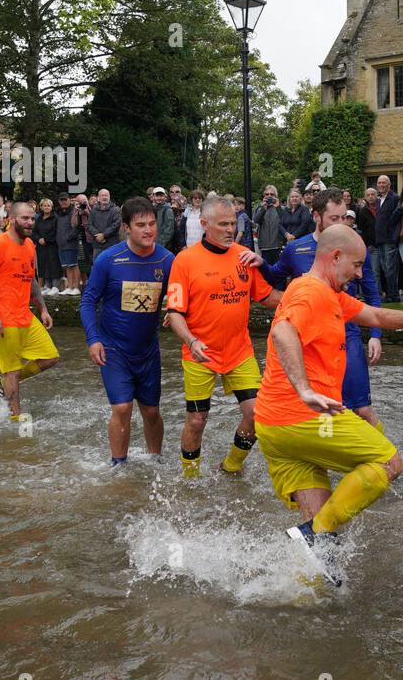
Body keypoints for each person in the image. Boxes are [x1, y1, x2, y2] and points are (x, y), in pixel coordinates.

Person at [252, 225, 403, 568]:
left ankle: (303, 594)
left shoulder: (329, 295)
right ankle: (316, 531)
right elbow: (284, 331)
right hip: (304, 417)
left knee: (321, 552)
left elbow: (374, 315)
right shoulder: (309, 292)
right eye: (356, 265)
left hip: (273, 428)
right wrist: (304, 389)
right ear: (336, 257)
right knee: (388, 462)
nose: (359, 273)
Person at [165, 196, 284, 478]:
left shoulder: (244, 256)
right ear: (205, 224)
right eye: (223, 224)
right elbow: (174, 313)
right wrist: (191, 341)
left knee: (257, 415)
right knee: (196, 420)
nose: (230, 229)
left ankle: (231, 467)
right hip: (199, 353)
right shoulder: (185, 261)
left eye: (233, 223)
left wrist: (305, 295)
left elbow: (266, 296)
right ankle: (191, 478)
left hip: (238, 352)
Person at [255, 188, 385, 429]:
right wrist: (260, 263)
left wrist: (376, 336)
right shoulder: (296, 249)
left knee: (363, 409)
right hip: (312, 342)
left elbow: (371, 293)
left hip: (348, 334)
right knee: (325, 410)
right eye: (334, 219)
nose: (342, 224)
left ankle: (385, 457)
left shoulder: (355, 247)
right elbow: (275, 276)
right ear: (316, 216)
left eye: (344, 217)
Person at [80, 197, 177, 466]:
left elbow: (180, 298)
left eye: (152, 224)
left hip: (147, 350)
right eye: (141, 225)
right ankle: (118, 464)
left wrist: (174, 310)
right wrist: (93, 339)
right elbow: (88, 301)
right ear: (126, 228)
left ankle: (155, 460)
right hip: (114, 347)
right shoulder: (109, 260)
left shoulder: (168, 261)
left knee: (151, 411)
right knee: (122, 408)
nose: (148, 230)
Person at [0, 202, 60, 420]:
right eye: (25, 218)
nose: (30, 222)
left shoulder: (30, 245)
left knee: (50, 357)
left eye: (32, 218)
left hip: (25, 315)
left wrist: (43, 309)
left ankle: (2, 384)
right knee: (11, 370)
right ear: (12, 219)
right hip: (3, 318)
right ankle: (16, 418)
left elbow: (31, 279)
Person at [373, 175, 400, 302]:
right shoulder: (379, 200)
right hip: (380, 239)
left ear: (389, 185)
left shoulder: (394, 198)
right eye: (379, 183)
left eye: (384, 183)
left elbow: (397, 216)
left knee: (390, 269)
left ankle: (393, 295)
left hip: (390, 239)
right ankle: (390, 294)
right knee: (385, 269)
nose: (381, 185)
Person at [32, 197, 63, 295]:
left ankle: (55, 286)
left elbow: (56, 232)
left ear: (51, 207)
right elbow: (34, 231)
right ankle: (47, 285)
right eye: (44, 205)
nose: (46, 207)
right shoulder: (39, 218)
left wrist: (46, 239)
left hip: (52, 245)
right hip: (41, 246)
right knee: (43, 264)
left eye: (48, 205)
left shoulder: (55, 218)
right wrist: (39, 239)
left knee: (53, 264)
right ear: (41, 207)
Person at [55, 191, 82, 295]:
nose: (63, 202)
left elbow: (78, 226)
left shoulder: (74, 211)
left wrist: (70, 237)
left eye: (65, 199)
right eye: (61, 200)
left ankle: (76, 287)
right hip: (61, 244)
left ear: (69, 200)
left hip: (71, 243)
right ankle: (70, 287)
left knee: (74, 265)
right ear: (58, 201)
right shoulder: (58, 212)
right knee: (67, 266)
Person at [252, 184, 285, 265]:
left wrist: (277, 207)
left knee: (278, 270)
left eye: (272, 194)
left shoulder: (282, 208)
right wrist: (264, 208)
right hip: (265, 245)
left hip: (278, 245)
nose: (269, 196)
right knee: (267, 271)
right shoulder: (260, 208)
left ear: (276, 196)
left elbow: (285, 221)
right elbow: (256, 221)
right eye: (267, 194)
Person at [86, 189, 121, 258]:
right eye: (102, 195)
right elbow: (89, 225)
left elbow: (116, 225)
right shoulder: (93, 210)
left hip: (112, 245)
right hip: (97, 245)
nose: (104, 197)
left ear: (109, 197)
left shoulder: (116, 210)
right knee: (98, 267)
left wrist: (103, 235)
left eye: (106, 195)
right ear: (98, 198)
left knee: (112, 267)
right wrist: (97, 236)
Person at [152, 187, 176, 252]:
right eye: (157, 196)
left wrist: (160, 244)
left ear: (165, 197)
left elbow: (169, 230)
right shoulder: (151, 209)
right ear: (153, 197)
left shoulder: (168, 210)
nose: (159, 198)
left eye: (161, 196)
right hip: (152, 244)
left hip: (163, 246)